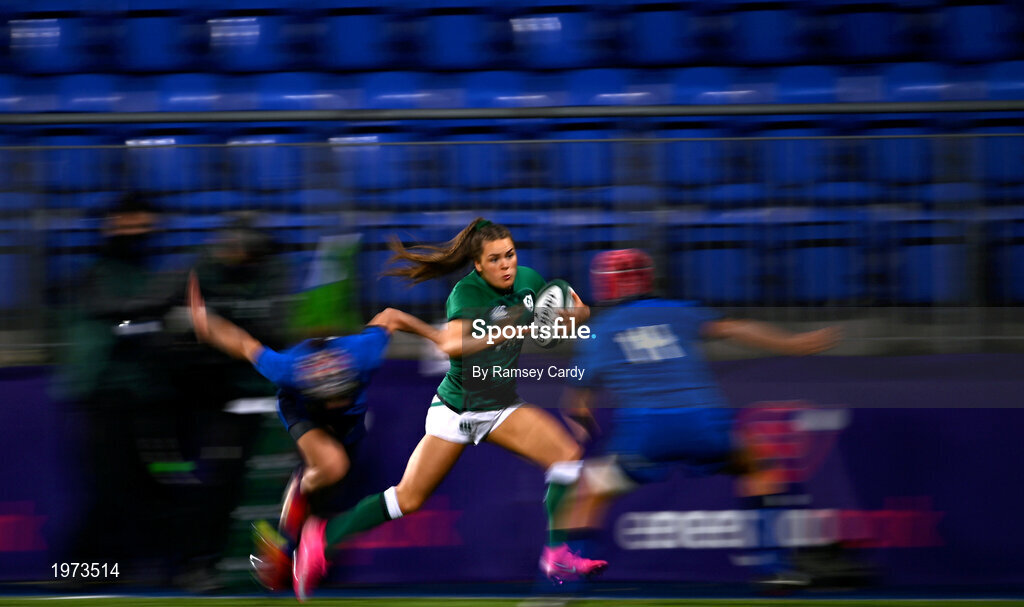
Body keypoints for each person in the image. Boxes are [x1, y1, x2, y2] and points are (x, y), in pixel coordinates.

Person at [290, 217, 607, 601]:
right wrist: (519, 326)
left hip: (500, 407)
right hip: (456, 410)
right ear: (478, 264)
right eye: (495, 259)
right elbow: (452, 346)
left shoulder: (528, 281)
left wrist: (572, 317)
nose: (506, 264)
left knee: (567, 458)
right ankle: (322, 539)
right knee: (407, 499)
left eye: (510, 254)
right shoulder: (466, 294)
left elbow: (578, 312)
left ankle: (557, 557)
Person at [551, 248, 841, 586]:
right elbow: (737, 328)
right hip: (704, 425)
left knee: (588, 494)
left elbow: (576, 404)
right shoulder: (679, 312)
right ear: (648, 277)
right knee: (759, 467)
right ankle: (773, 569)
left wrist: (586, 430)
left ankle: (567, 584)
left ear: (603, 285)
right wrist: (796, 343)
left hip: (646, 436)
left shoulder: (599, 332)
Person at [186, 271, 447, 591]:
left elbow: (390, 316)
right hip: (302, 411)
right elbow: (243, 343)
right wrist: (205, 323)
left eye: (341, 395)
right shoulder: (287, 370)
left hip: (350, 424)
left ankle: (292, 537)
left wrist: (435, 336)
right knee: (332, 465)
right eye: (330, 398)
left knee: (332, 478)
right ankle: (294, 507)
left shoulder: (363, 352)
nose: (335, 403)